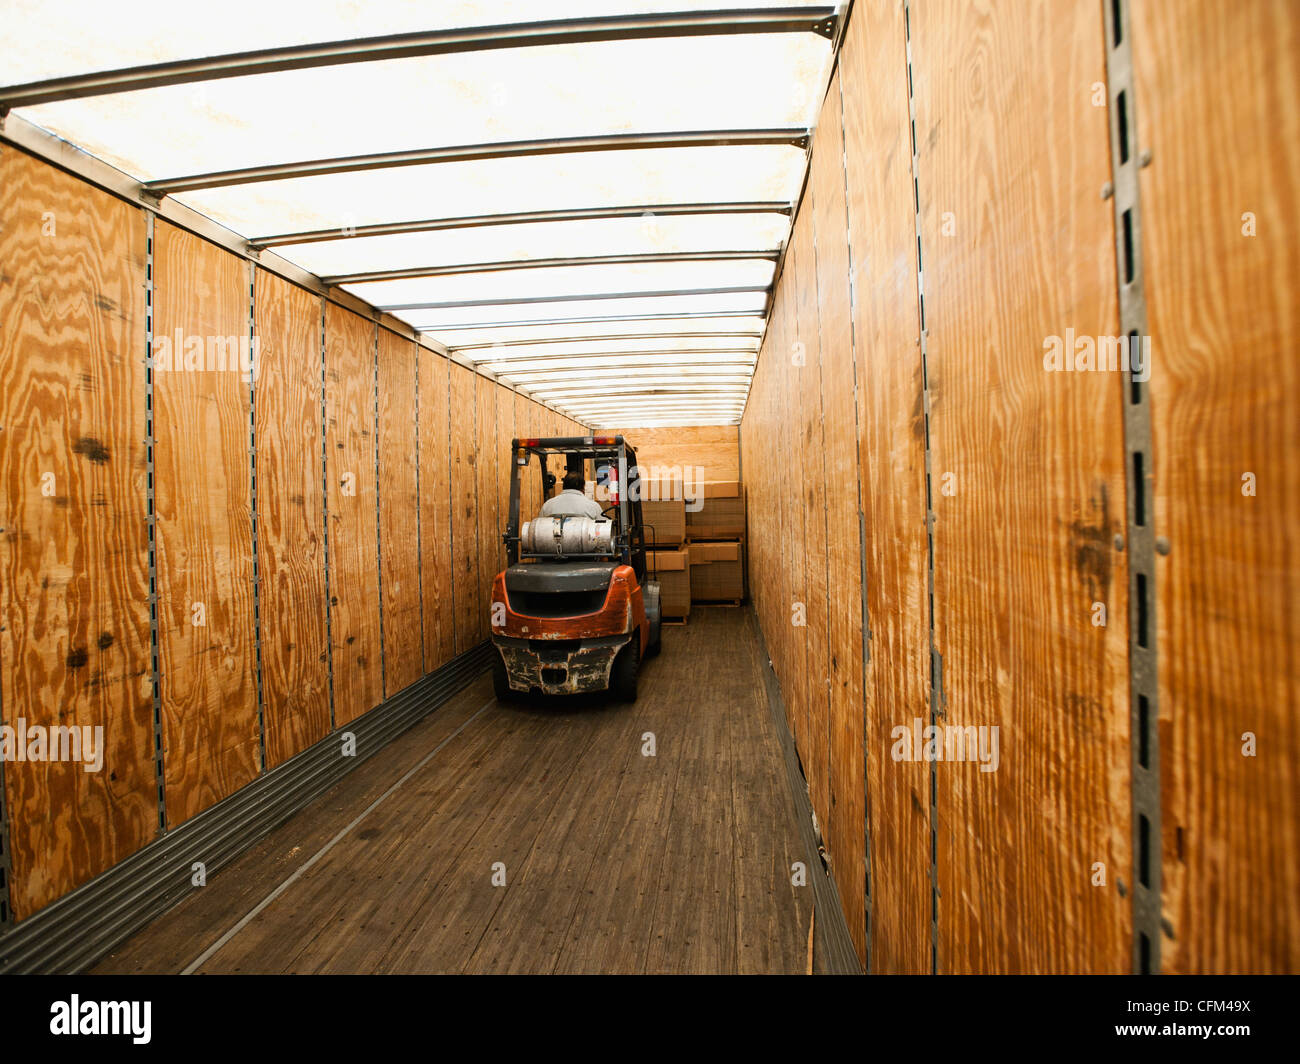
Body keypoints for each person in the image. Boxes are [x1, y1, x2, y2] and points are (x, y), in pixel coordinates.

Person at [540, 471, 604, 519]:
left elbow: (539, 530)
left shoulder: (547, 506)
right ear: (583, 488)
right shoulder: (593, 507)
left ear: (564, 486)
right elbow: (604, 531)